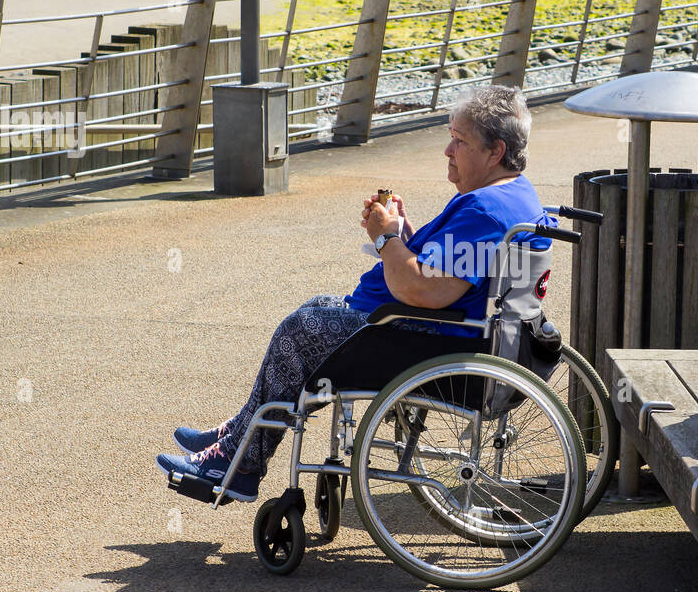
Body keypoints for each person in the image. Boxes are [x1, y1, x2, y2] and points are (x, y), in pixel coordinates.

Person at [156, 84, 554, 501]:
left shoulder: (484, 209)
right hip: (439, 331)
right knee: (319, 308)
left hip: (427, 340)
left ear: (496, 151)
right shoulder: (512, 196)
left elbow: (422, 290)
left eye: (459, 140)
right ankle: (241, 433)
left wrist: (385, 239)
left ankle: (240, 462)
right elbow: (449, 273)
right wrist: (403, 233)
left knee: (301, 329)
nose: (447, 150)